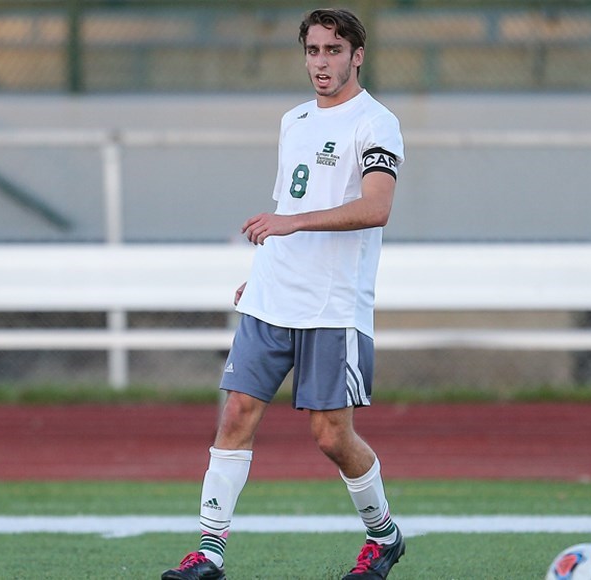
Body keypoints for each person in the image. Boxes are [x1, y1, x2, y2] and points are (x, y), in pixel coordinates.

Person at [162, 8, 405, 580]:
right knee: (237, 413)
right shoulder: (293, 120)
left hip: (331, 304)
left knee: (329, 435)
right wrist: (267, 266)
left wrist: (293, 226)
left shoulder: (376, 122)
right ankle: (209, 551)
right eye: (313, 50)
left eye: (333, 50)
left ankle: (383, 534)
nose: (321, 62)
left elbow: (377, 207)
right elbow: (285, 210)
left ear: (357, 55)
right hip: (273, 294)